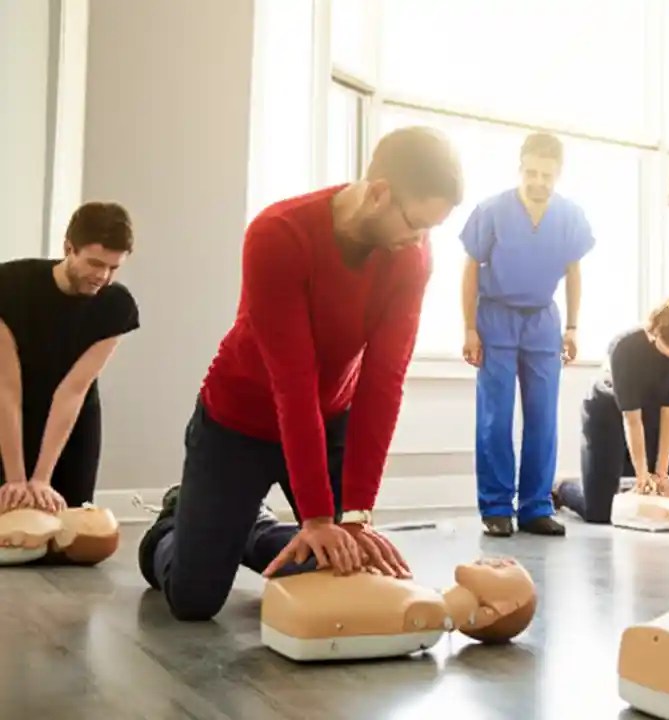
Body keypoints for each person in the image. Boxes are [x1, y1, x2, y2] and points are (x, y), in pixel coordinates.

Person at [137, 126, 462, 621]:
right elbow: (293, 380)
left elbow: (383, 383)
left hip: (328, 419)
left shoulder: (411, 258)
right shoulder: (278, 234)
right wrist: (314, 517)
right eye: (416, 224)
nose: (420, 241)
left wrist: (353, 518)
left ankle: (247, 527)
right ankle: (172, 523)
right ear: (379, 193)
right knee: (194, 600)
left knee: (349, 568)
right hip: (237, 423)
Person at [460, 132, 596, 537]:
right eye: (532, 172)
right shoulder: (491, 211)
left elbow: (574, 272)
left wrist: (572, 326)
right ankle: (497, 507)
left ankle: (535, 506)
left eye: (547, 175)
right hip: (496, 317)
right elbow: (470, 270)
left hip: (542, 320)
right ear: (520, 168)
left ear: (559, 175)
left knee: (543, 419)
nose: (539, 181)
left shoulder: (570, 216)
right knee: (494, 418)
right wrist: (469, 327)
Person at [0, 202, 140, 515]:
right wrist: (16, 479)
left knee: (67, 525)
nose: (102, 276)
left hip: (71, 418)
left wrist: (41, 479)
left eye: (113, 268)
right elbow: (6, 386)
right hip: (9, 410)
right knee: (11, 516)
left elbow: (73, 390)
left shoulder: (116, 306)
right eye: (94, 263)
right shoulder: (10, 285)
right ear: (68, 248)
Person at [554, 296, 669, 524]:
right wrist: (643, 475)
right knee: (600, 513)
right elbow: (632, 420)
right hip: (607, 412)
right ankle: (562, 488)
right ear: (654, 335)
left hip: (652, 409)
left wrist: (661, 474)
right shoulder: (626, 348)